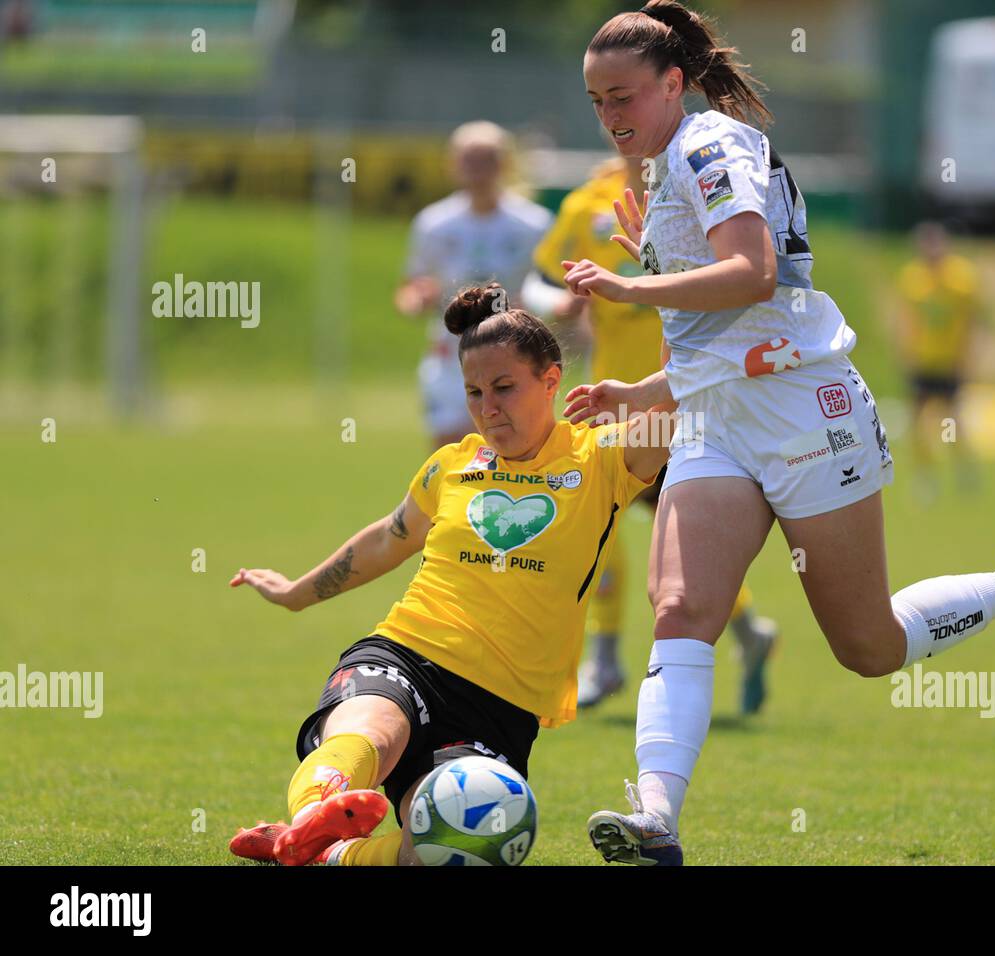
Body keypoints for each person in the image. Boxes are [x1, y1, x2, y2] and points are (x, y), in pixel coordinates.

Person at [559, 1, 995, 866]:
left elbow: (752, 275)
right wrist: (643, 388)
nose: (610, 115)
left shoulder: (710, 146)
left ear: (673, 83)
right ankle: (655, 814)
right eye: (595, 102)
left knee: (869, 648)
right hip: (718, 419)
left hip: (807, 410)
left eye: (622, 94)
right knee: (683, 608)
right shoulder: (664, 172)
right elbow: (725, 333)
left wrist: (632, 292)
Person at [227, 283, 669, 866]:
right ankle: (315, 815)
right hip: (407, 651)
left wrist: (669, 289)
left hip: (500, 706)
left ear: (552, 380)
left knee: (445, 851)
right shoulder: (453, 464)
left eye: (505, 387)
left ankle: (324, 853)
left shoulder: (603, 457)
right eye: (474, 392)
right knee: (369, 733)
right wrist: (295, 594)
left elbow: (693, 397)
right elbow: (389, 537)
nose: (488, 407)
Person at [531, 153, 779, 714]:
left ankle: (616, 657)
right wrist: (560, 301)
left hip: (679, 394)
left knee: (665, 528)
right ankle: (619, 654)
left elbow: (740, 276)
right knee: (605, 515)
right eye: (607, 103)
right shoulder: (586, 203)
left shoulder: (697, 193)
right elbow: (540, 278)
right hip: (612, 394)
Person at [395, 121, 553, 451]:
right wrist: (415, 298)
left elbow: (546, 284)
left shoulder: (533, 224)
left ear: (505, 164)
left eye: (488, 160)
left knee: (512, 456)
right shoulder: (434, 223)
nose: (478, 170)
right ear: (453, 165)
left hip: (513, 359)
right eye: (469, 160)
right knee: (452, 458)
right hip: (450, 356)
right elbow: (414, 284)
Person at [894, 221, 981, 501]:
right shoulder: (913, 279)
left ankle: (964, 469)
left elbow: (970, 322)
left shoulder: (961, 278)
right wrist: (906, 353)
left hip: (948, 361)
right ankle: (924, 474)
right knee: (917, 421)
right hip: (923, 361)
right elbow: (908, 321)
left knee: (953, 421)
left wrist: (965, 356)